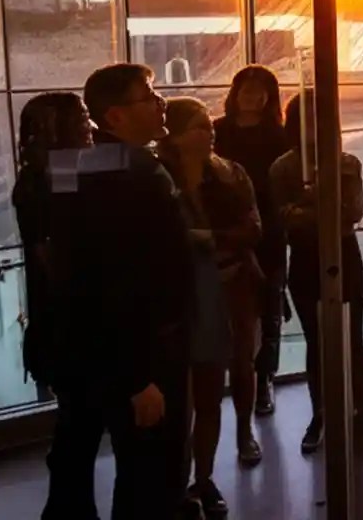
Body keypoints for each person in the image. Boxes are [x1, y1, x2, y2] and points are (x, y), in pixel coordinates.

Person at [43, 64, 197, 520]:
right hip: (146, 357)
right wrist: (139, 376)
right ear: (115, 117)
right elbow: (119, 282)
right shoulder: (133, 177)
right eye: (147, 96)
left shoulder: (98, 170)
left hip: (129, 354)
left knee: (144, 474)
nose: (160, 102)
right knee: (151, 478)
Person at [158, 98, 266, 517]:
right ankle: (181, 482)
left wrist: (209, 238)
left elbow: (253, 228)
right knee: (185, 395)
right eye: (197, 126)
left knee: (231, 374)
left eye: (208, 125)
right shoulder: (160, 180)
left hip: (235, 286)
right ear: (175, 134)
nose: (209, 132)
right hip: (184, 297)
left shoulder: (230, 172)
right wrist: (215, 239)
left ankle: (204, 476)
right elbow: (166, 241)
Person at [271, 91, 363, 454]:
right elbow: (285, 220)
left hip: (341, 254)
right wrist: (324, 205)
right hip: (307, 258)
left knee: (353, 340)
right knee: (317, 341)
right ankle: (322, 413)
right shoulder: (284, 167)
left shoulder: (346, 162)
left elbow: (353, 211)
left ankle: (358, 413)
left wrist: (308, 204)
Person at [214, 66, 290, 417]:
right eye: (248, 88)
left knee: (270, 307)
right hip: (228, 233)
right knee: (230, 310)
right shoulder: (217, 132)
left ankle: (265, 380)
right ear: (236, 91)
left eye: (262, 90)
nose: (254, 95)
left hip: (269, 232)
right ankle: (233, 379)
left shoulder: (279, 136)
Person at [14, 92, 94, 397]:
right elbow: (54, 255)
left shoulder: (54, 175)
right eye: (81, 120)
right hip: (68, 324)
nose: (89, 127)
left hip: (66, 321)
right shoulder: (46, 181)